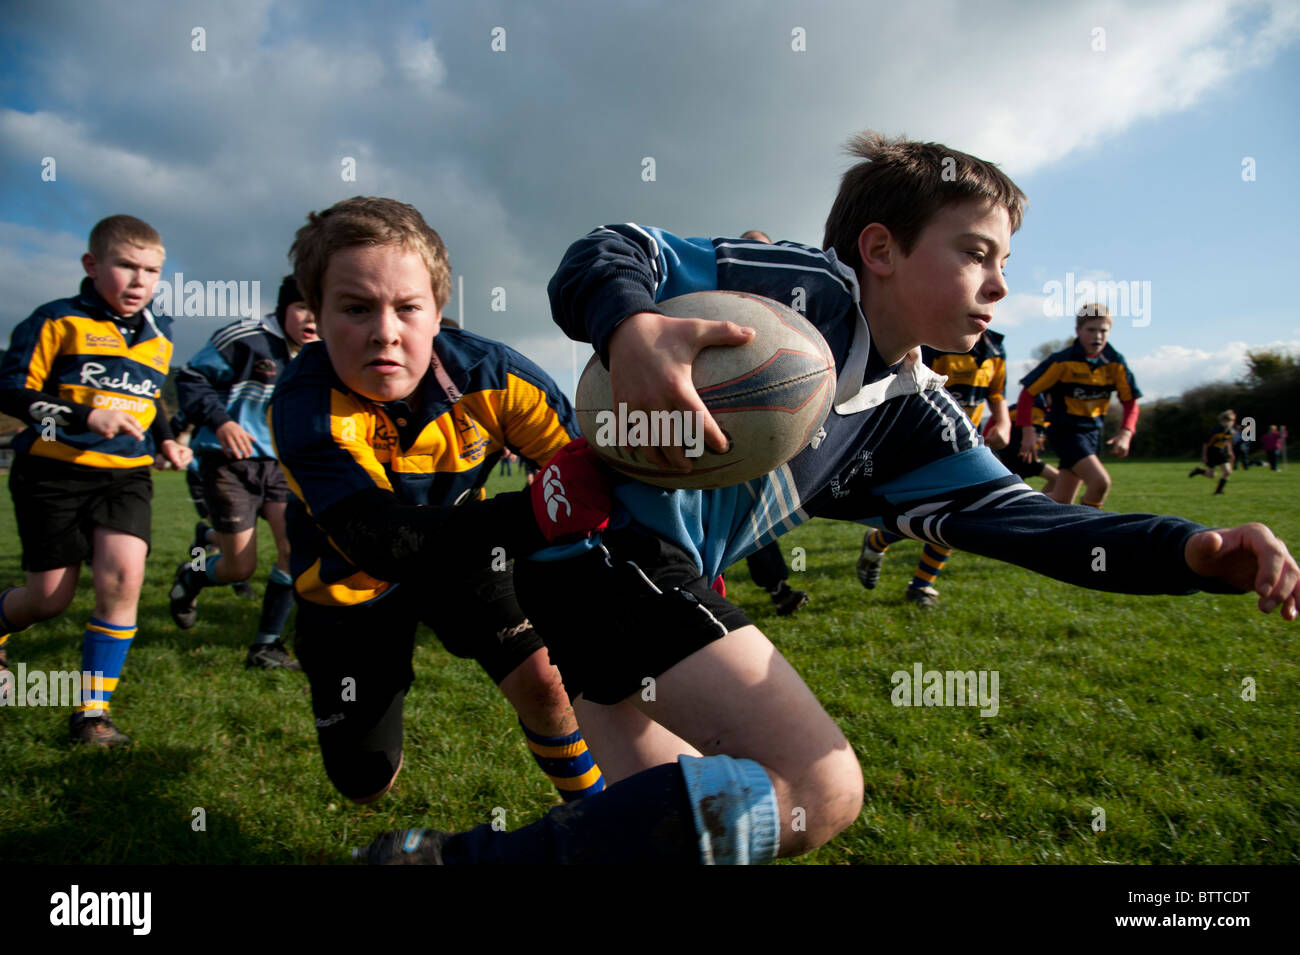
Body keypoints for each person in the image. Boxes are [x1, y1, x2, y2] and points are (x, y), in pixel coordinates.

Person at [361, 133, 1300, 865]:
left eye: (1005, 261)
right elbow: (611, 247)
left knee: (686, 836)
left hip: (620, 587)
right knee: (820, 783)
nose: (1000, 285)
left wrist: (1195, 551)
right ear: (880, 249)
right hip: (605, 554)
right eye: (976, 253)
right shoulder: (802, 293)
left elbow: (1036, 526)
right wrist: (633, 323)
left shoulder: (915, 416)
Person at [269, 197, 610, 805]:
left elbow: (592, 475)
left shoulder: (496, 376)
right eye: (355, 308)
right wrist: (538, 514)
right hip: (350, 584)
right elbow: (379, 540)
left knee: (547, 685)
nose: (385, 331)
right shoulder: (303, 401)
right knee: (365, 781)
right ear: (316, 315)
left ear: (437, 312)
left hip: (464, 557)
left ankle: (598, 819)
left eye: (407, 308)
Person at [0, 214, 191, 746]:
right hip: (52, 473)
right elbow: (12, 392)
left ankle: (92, 714)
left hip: (125, 475)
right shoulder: (54, 320)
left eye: (152, 271)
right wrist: (82, 416)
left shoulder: (161, 333)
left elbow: (151, 402)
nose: (139, 281)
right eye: (126, 266)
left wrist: (169, 438)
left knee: (124, 578)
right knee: (48, 601)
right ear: (92, 265)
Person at [167, 276, 319, 669]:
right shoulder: (245, 338)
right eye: (303, 307)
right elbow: (190, 377)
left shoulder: (324, 353)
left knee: (294, 549)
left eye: (321, 309)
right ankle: (193, 574)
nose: (312, 319)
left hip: (282, 465)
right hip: (228, 462)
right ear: (283, 308)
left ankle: (265, 646)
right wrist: (221, 422)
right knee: (240, 566)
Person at [856, 329, 1009, 607]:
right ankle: (878, 542)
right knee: (930, 514)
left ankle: (921, 585)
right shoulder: (936, 340)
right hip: (921, 442)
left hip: (964, 445)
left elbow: (996, 394)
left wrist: (1003, 422)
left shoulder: (995, 350)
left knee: (955, 514)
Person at [1017, 303, 1140, 508]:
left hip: (1092, 432)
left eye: (1103, 331)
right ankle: (1087, 535)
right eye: (1091, 330)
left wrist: (1126, 433)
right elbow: (1027, 393)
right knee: (1100, 483)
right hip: (1066, 432)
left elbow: (1130, 401)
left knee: (1061, 501)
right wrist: (1028, 432)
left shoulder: (1115, 363)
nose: (1098, 336)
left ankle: (1015, 508)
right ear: (1078, 331)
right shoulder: (1062, 362)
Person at [997, 393, 1059, 494]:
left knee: (1013, 492)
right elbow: (998, 420)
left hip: (1028, 458)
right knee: (1057, 478)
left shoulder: (1050, 413)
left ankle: (1039, 505)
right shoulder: (1024, 409)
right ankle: (1040, 505)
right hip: (1018, 457)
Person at [1189, 411, 1236, 494]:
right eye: (1226, 421)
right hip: (1211, 452)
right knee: (1212, 475)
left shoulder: (1231, 431)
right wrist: (1204, 456)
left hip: (1221, 452)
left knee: (1228, 471)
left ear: (1233, 422)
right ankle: (1199, 471)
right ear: (1221, 421)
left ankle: (1219, 490)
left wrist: (1230, 452)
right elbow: (1206, 444)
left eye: (1230, 421)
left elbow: (1228, 442)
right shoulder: (1216, 431)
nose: (1228, 423)